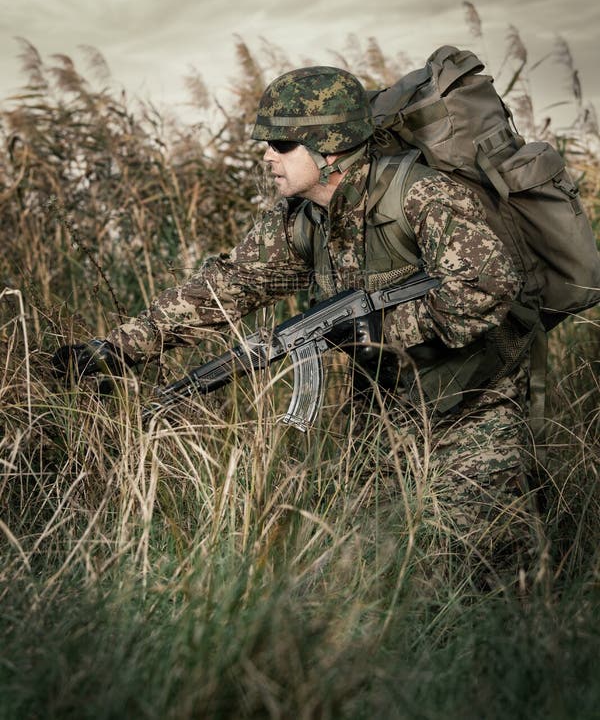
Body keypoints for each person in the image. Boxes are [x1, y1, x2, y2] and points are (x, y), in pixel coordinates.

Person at [53, 65, 538, 578]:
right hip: (383, 416)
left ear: (329, 150)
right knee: (372, 568)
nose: (266, 155)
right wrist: (120, 350)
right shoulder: (302, 216)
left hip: (476, 409)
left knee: (478, 566)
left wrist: (385, 332)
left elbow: (487, 286)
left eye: (281, 144)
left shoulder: (420, 195)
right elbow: (229, 287)